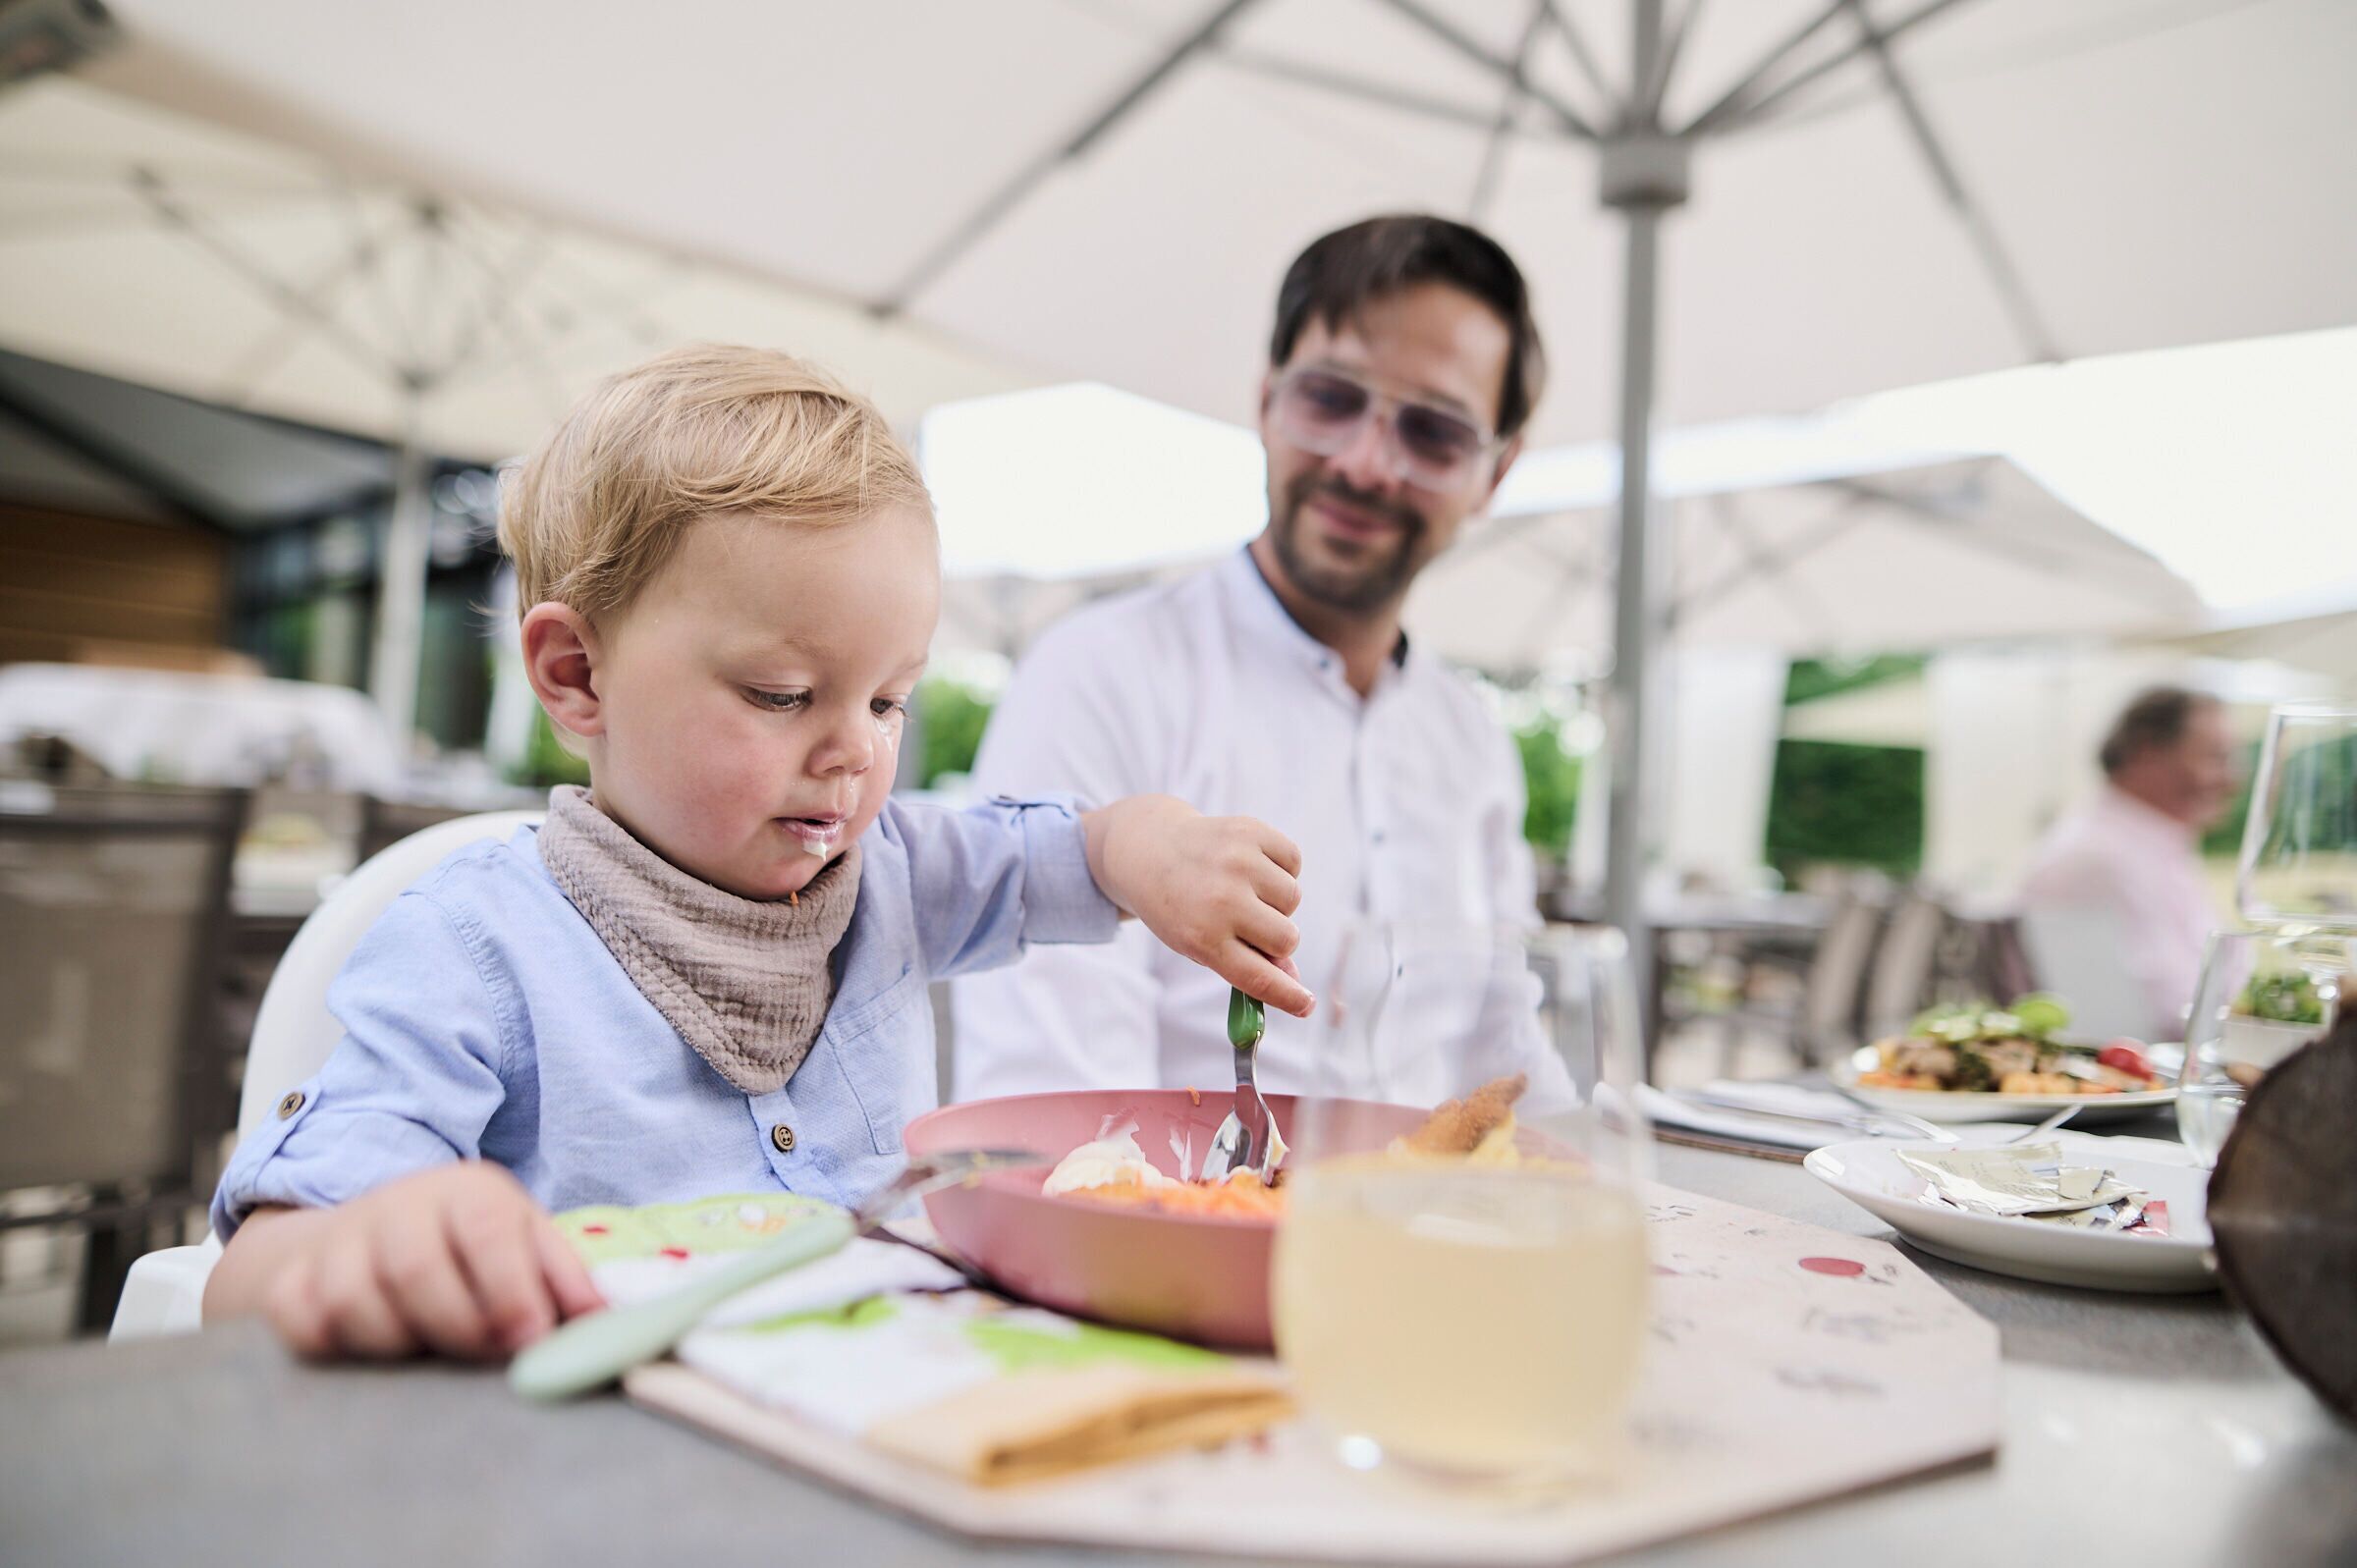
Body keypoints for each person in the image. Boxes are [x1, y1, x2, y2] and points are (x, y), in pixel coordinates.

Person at [201, 346, 1313, 1361]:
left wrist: (1149, 844)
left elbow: (1064, 853)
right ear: (577, 676)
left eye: (889, 699)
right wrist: (377, 1244)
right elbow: (251, 1273)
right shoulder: (475, 947)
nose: (855, 753)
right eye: (783, 694)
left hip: (876, 1408)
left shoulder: (894, 874)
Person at [954, 214, 1568, 1106]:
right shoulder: (1102, 673)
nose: (1366, 463)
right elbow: (1059, 1113)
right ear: (1268, 400)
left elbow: (1506, 1063)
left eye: (1433, 431)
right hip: (1182, 1233)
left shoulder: (1470, 738)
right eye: (1332, 399)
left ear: (1496, 474)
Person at [2019, 685, 2238, 1040]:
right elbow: (2167, 1013)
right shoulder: (2095, 857)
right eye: (2217, 758)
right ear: (2148, 752)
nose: (2231, 778)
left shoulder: (2150, 842)